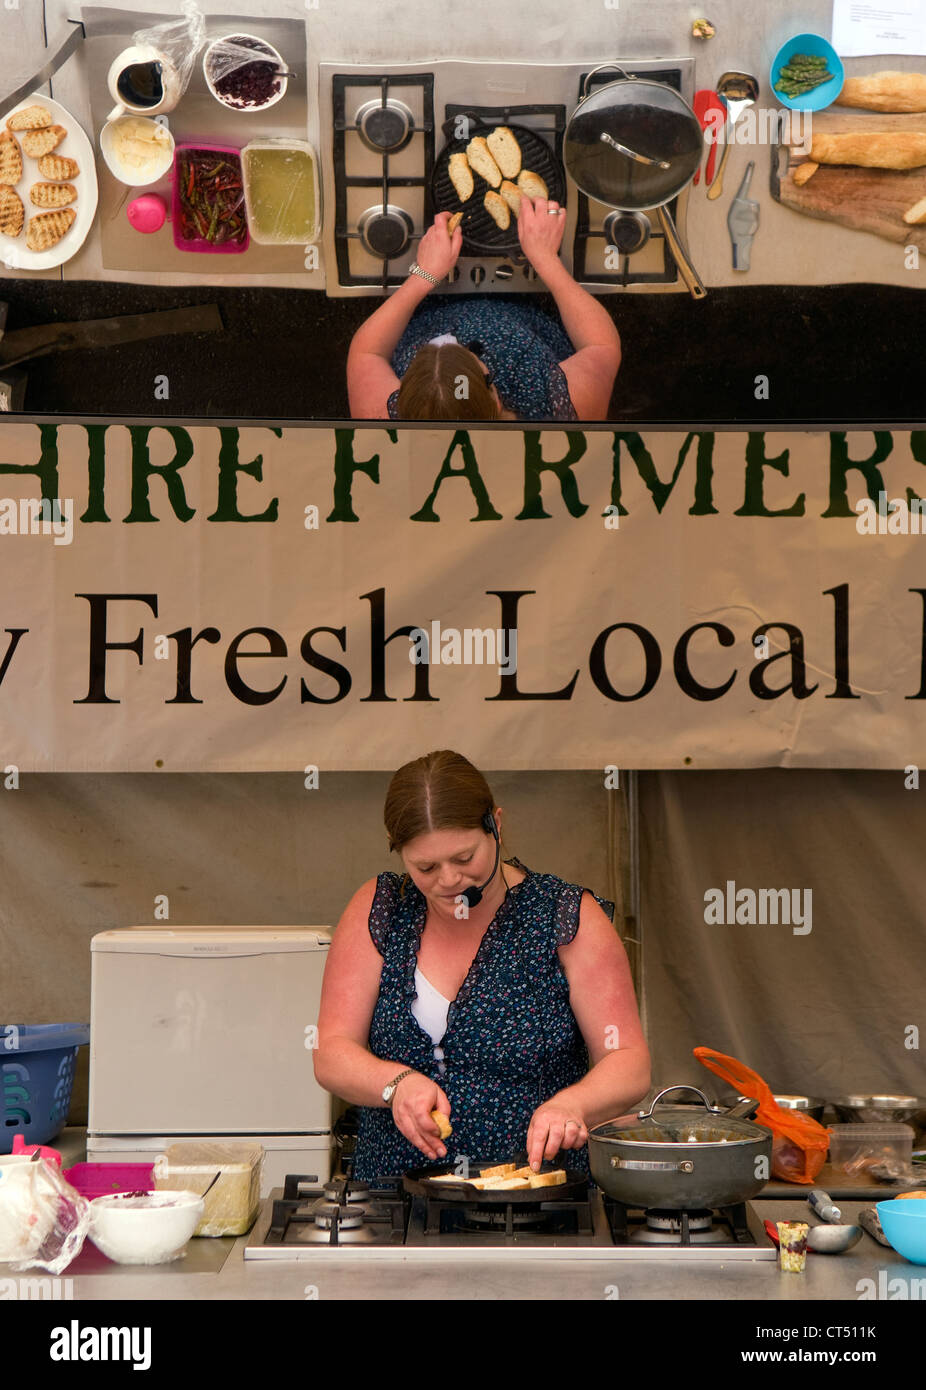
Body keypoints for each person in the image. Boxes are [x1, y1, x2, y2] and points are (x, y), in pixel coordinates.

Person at [313, 750, 650, 1180]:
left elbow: (628, 1060)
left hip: (536, 1198)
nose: (449, 880)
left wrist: (574, 1104)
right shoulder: (381, 909)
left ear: (497, 824)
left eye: (464, 858)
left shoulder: (565, 915)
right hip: (392, 1202)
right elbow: (331, 1052)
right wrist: (395, 1083)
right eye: (426, 867)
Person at [346, 199, 622, 422]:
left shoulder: (383, 421)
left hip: (431, 307)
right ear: (495, 397)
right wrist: (545, 259)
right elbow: (601, 346)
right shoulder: (562, 411)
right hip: (533, 308)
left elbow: (366, 352)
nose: (449, 338)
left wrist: (424, 275)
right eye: (468, 351)